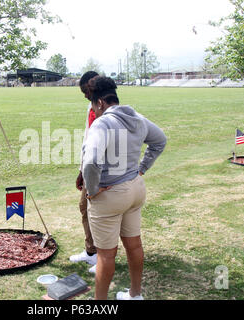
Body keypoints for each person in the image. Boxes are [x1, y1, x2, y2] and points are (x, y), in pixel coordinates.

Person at [82, 76, 167, 300]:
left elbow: (90, 162)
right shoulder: (136, 118)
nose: (94, 110)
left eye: (93, 104)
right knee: (134, 245)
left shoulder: (102, 122)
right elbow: (160, 140)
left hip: (110, 193)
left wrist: (91, 191)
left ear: (99, 103)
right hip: (135, 189)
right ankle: (135, 295)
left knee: (106, 255)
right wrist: (141, 169)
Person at [69, 71, 99, 273]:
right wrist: (81, 170)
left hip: (101, 169)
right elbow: (87, 141)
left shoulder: (106, 108)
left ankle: (102, 257)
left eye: (86, 91)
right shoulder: (91, 107)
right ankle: (91, 253)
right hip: (88, 166)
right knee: (84, 207)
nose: (85, 95)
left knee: (99, 213)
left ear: (93, 85)